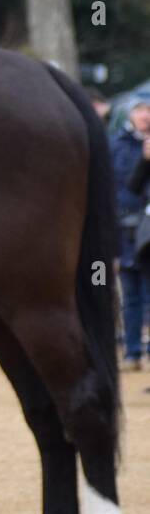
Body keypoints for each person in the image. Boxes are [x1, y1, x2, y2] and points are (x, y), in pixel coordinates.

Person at [111, 97, 150, 371]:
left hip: (147, 229)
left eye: (148, 110)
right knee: (131, 295)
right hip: (127, 230)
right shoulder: (115, 145)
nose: (145, 116)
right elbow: (125, 187)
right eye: (140, 110)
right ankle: (132, 351)